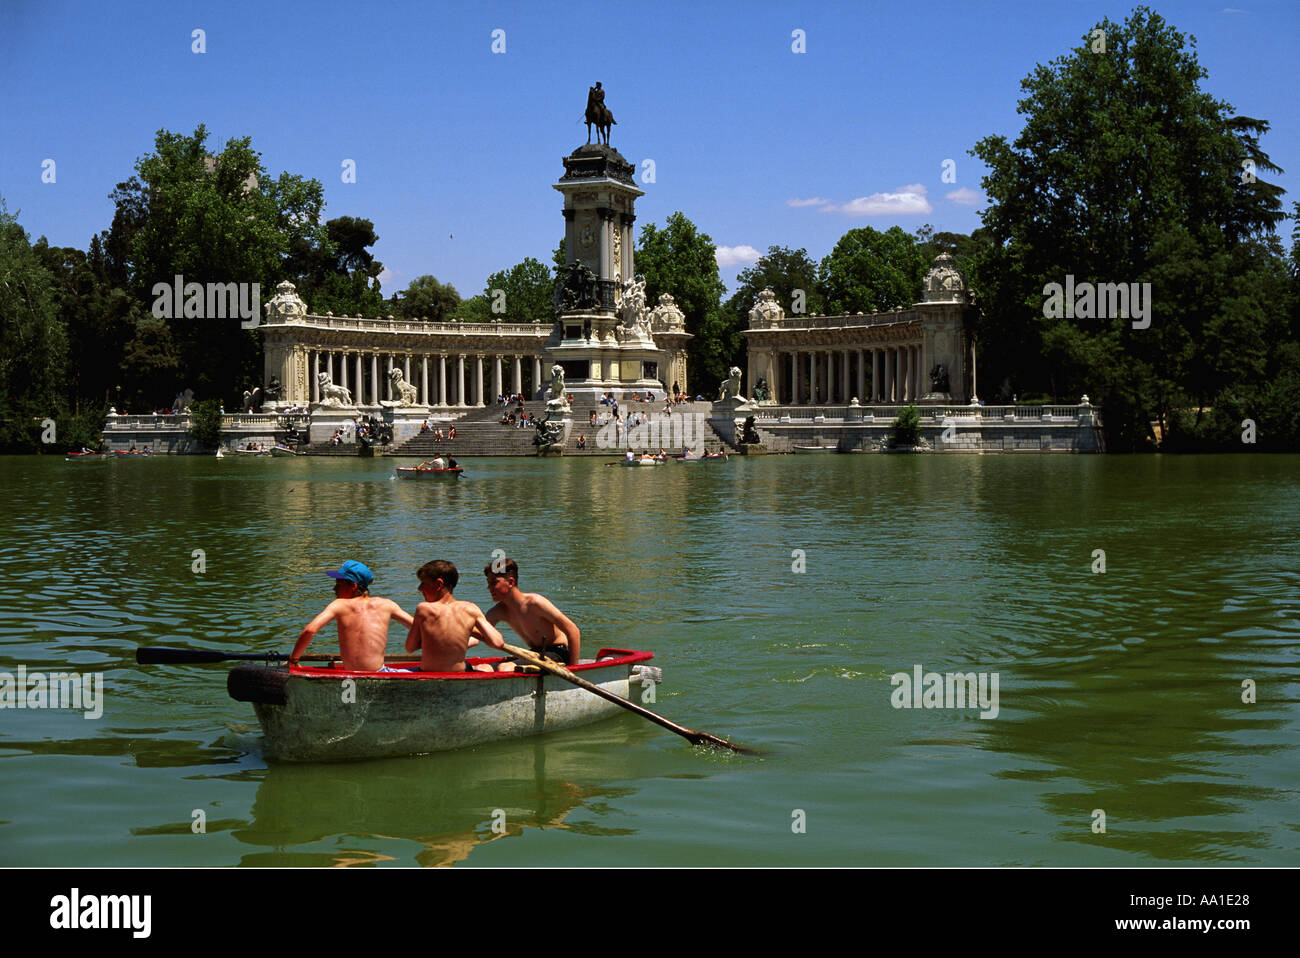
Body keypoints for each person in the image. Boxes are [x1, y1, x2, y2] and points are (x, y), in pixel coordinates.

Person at [288, 561, 414, 671]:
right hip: (379, 672)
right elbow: (418, 628)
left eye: (339, 584)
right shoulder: (387, 605)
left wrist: (293, 660)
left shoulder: (339, 605)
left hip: (351, 674)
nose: (334, 588)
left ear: (353, 586)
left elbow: (310, 630)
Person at [406, 560, 504, 672]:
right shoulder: (471, 609)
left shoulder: (424, 609)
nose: (420, 588)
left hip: (428, 672)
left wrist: (432, 640)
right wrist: (461, 634)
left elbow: (410, 647)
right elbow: (498, 642)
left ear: (439, 584)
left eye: (423, 583)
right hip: (461, 672)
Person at [484, 558, 581, 670]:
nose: (489, 588)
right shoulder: (498, 611)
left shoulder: (535, 603)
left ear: (511, 582)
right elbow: (476, 635)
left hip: (558, 652)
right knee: (483, 668)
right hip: (534, 653)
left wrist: (574, 669)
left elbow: (573, 631)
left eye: (494, 583)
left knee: (504, 668)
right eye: (488, 583)